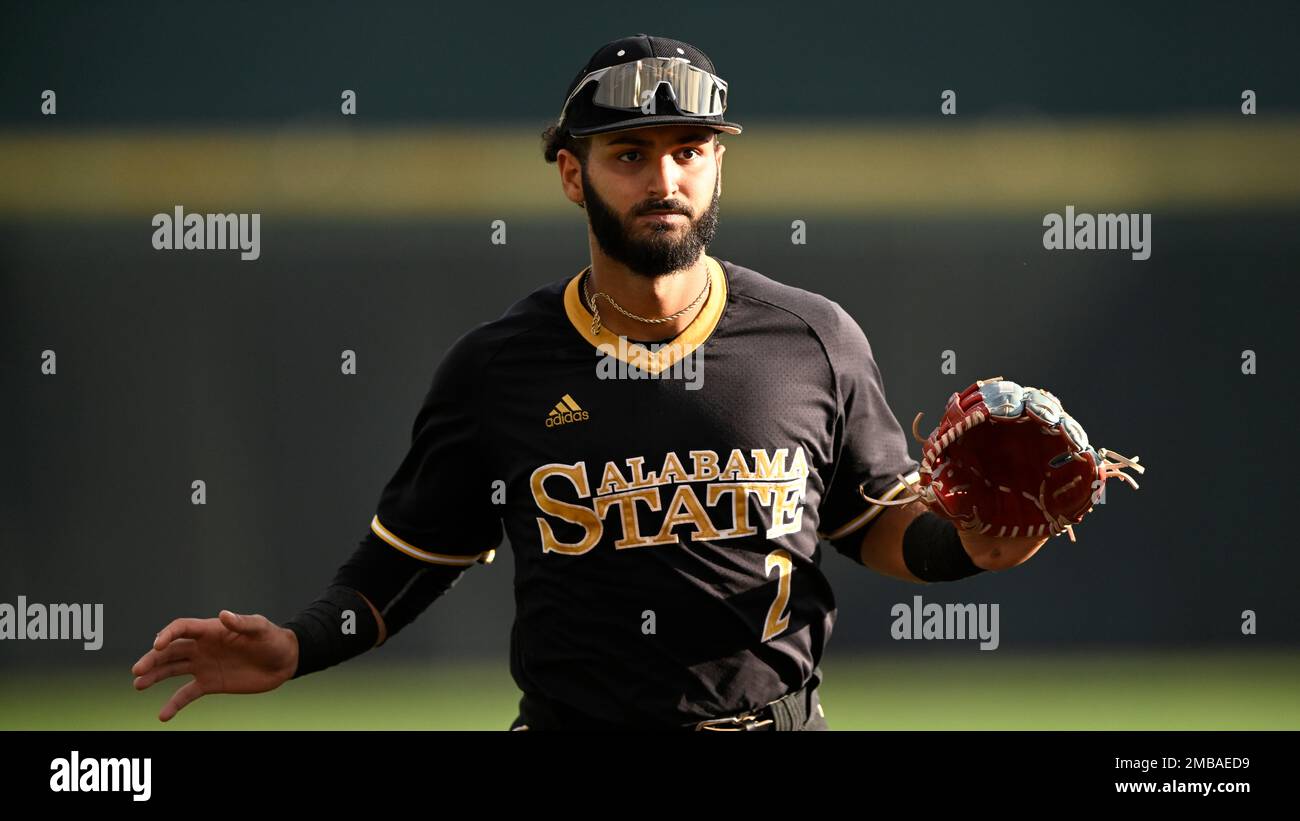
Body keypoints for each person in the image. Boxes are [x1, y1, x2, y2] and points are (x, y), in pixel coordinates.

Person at [131, 33, 1049, 731]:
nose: (665, 178)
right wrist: (298, 643)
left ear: (719, 161)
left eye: (690, 149)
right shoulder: (499, 368)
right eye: (628, 155)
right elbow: (406, 562)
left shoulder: (812, 339)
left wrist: (969, 546)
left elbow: (871, 520)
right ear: (572, 174)